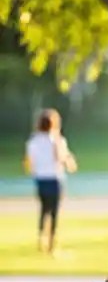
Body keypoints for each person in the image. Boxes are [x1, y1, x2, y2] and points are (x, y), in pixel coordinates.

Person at [23, 108, 77, 255]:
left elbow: (29, 162)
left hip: (40, 179)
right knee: (54, 212)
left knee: (43, 209)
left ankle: (41, 238)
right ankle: (52, 243)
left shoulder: (33, 142)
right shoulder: (56, 140)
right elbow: (61, 157)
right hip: (54, 178)